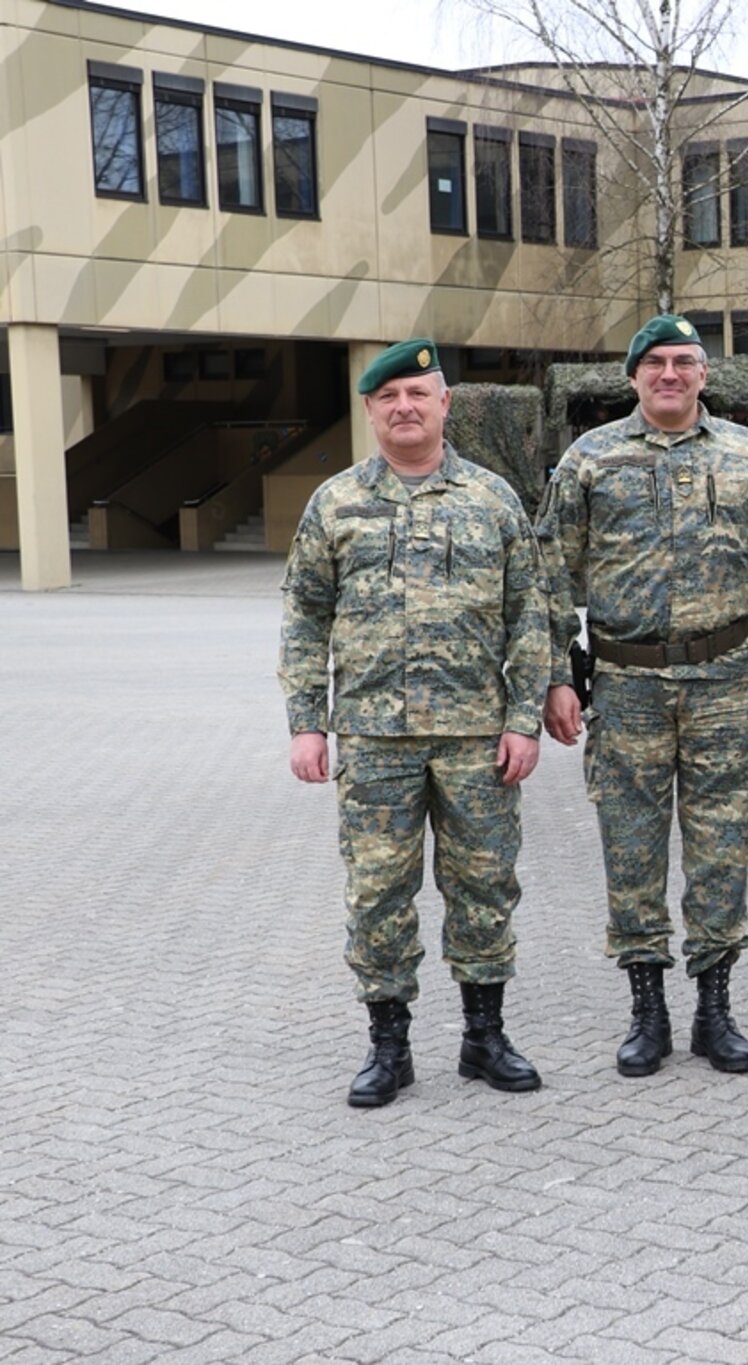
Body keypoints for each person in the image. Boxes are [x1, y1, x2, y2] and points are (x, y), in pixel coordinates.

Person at [280, 339, 549, 1108]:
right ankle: (387, 1045)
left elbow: (532, 613)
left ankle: (483, 1036)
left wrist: (523, 717)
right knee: (377, 893)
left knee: (485, 885)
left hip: (476, 734)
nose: (404, 406)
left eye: (418, 393)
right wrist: (308, 722)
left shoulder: (492, 499)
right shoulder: (334, 503)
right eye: (388, 395)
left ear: (444, 404)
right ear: (369, 409)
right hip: (371, 738)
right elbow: (303, 613)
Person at [537, 314, 748, 1078]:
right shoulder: (589, 459)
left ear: (703, 374)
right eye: (655, 362)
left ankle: (715, 1007)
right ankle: (646, 1008)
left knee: (722, 845)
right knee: (631, 846)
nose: (670, 374)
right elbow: (550, 576)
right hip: (625, 684)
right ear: (633, 376)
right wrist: (558, 674)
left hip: (724, 679)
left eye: (684, 362)